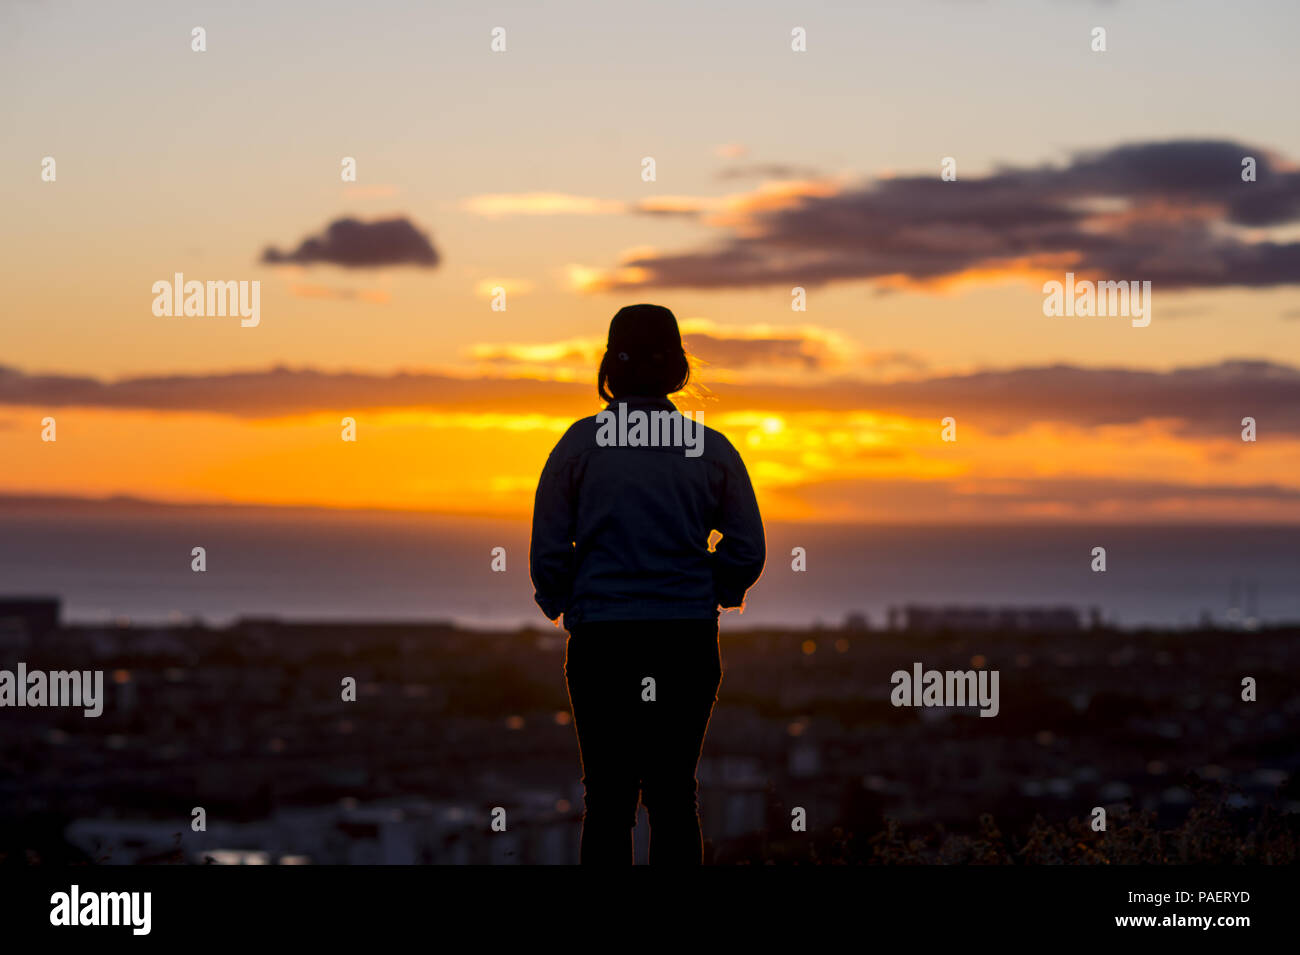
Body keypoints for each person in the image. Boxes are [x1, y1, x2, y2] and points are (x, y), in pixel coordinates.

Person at [529, 303, 766, 864]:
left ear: (609, 368)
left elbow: (547, 551)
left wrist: (567, 599)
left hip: (603, 642)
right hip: (684, 638)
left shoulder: (579, 446)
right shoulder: (710, 448)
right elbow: (747, 550)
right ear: (678, 370)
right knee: (674, 796)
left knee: (608, 799)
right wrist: (713, 587)